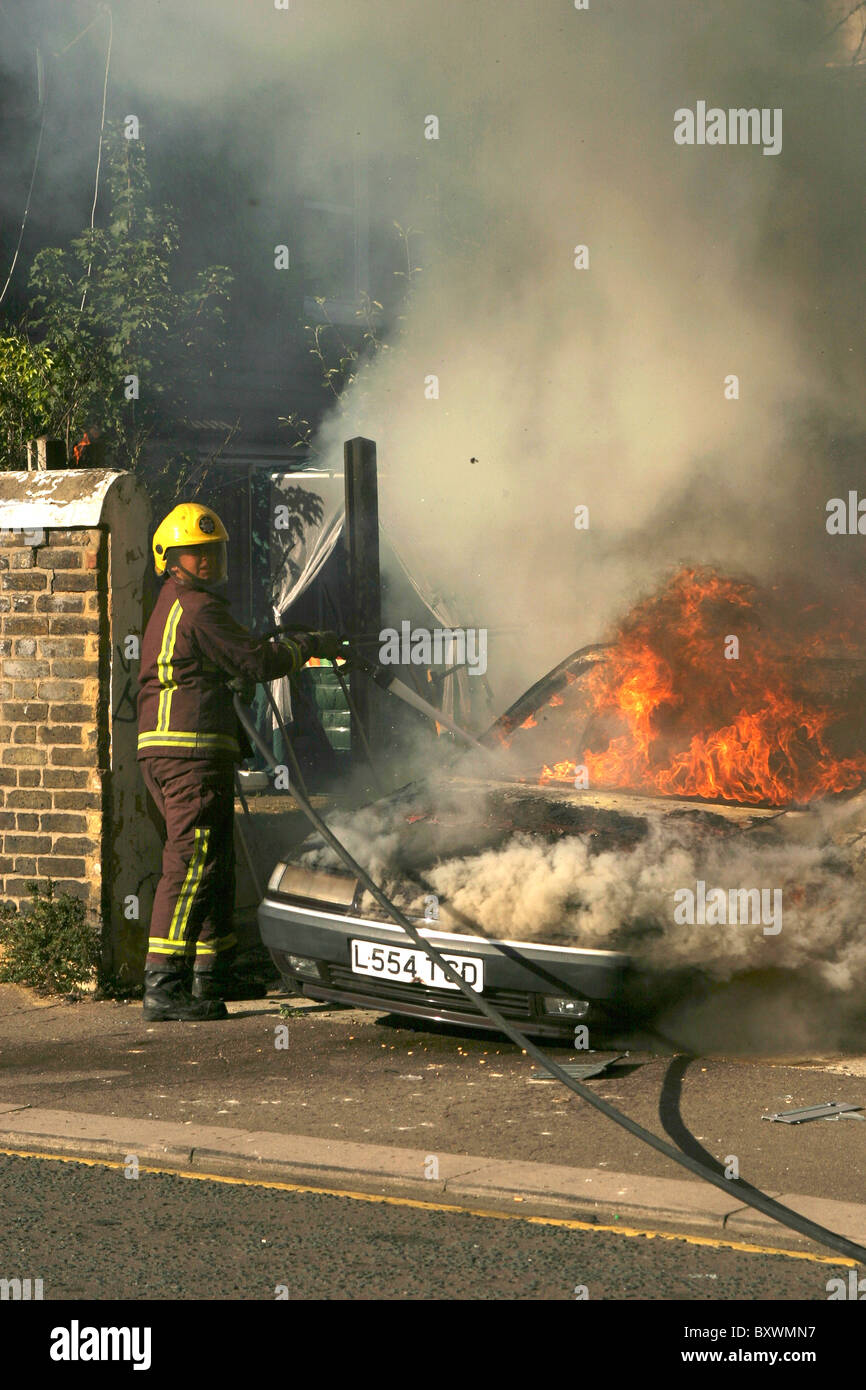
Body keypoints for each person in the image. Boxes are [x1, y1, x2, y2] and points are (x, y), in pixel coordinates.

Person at [137, 501, 343, 1021]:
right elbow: (254, 660)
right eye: (195, 554)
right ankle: (164, 988)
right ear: (170, 558)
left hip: (178, 752)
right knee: (188, 867)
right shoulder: (200, 609)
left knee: (213, 862)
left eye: (212, 553)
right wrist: (306, 646)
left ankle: (213, 975)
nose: (206, 562)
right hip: (190, 755)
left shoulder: (174, 604)